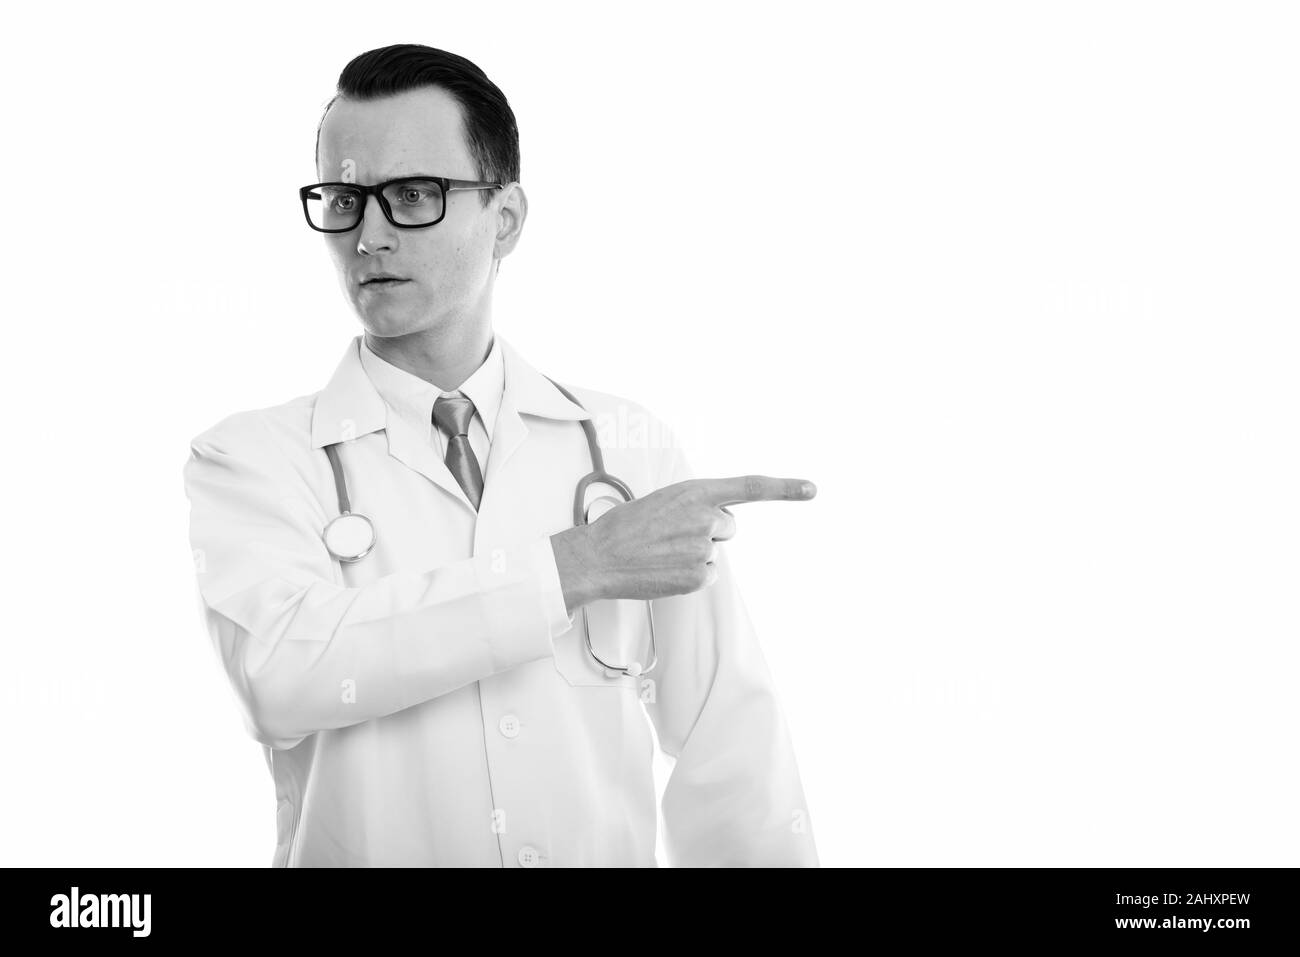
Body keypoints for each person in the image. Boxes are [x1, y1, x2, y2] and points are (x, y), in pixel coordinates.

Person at [183, 43, 819, 867]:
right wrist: (575, 568)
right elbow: (281, 674)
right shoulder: (253, 457)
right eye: (344, 197)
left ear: (506, 219)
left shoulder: (626, 447)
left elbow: (730, 744)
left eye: (411, 195)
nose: (367, 235)